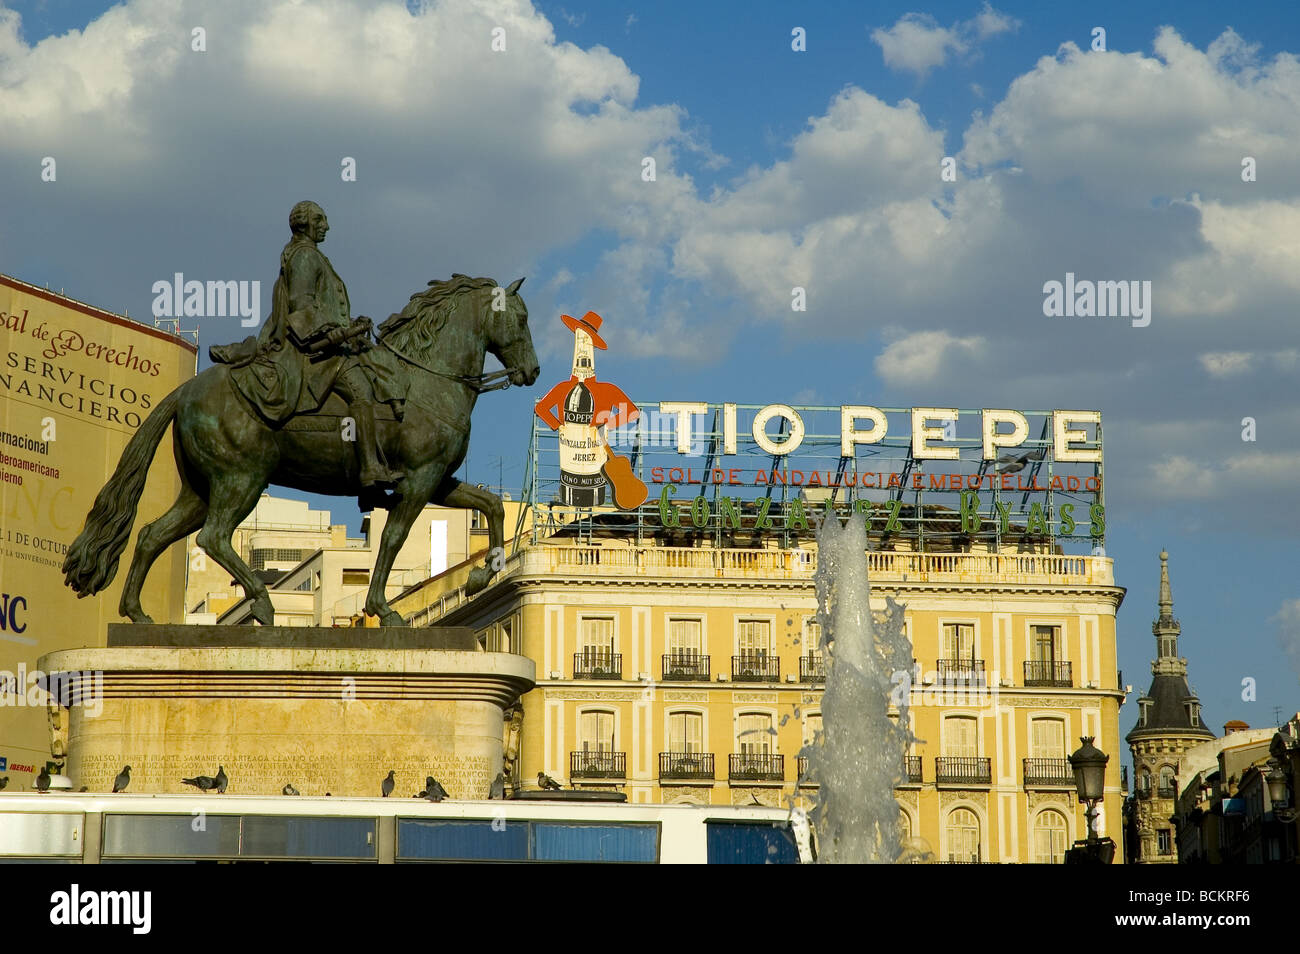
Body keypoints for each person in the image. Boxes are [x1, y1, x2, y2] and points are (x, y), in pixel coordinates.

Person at [212, 200, 399, 496]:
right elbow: (302, 306)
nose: (327, 226)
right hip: (310, 349)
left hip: (321, 339)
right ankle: (370, 469)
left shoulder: (307, 255)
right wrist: (338, 333)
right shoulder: (305, 257)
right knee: (362, 391)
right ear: (306, 224)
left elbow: (320, 307)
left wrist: (348, 324)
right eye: (321, 220)